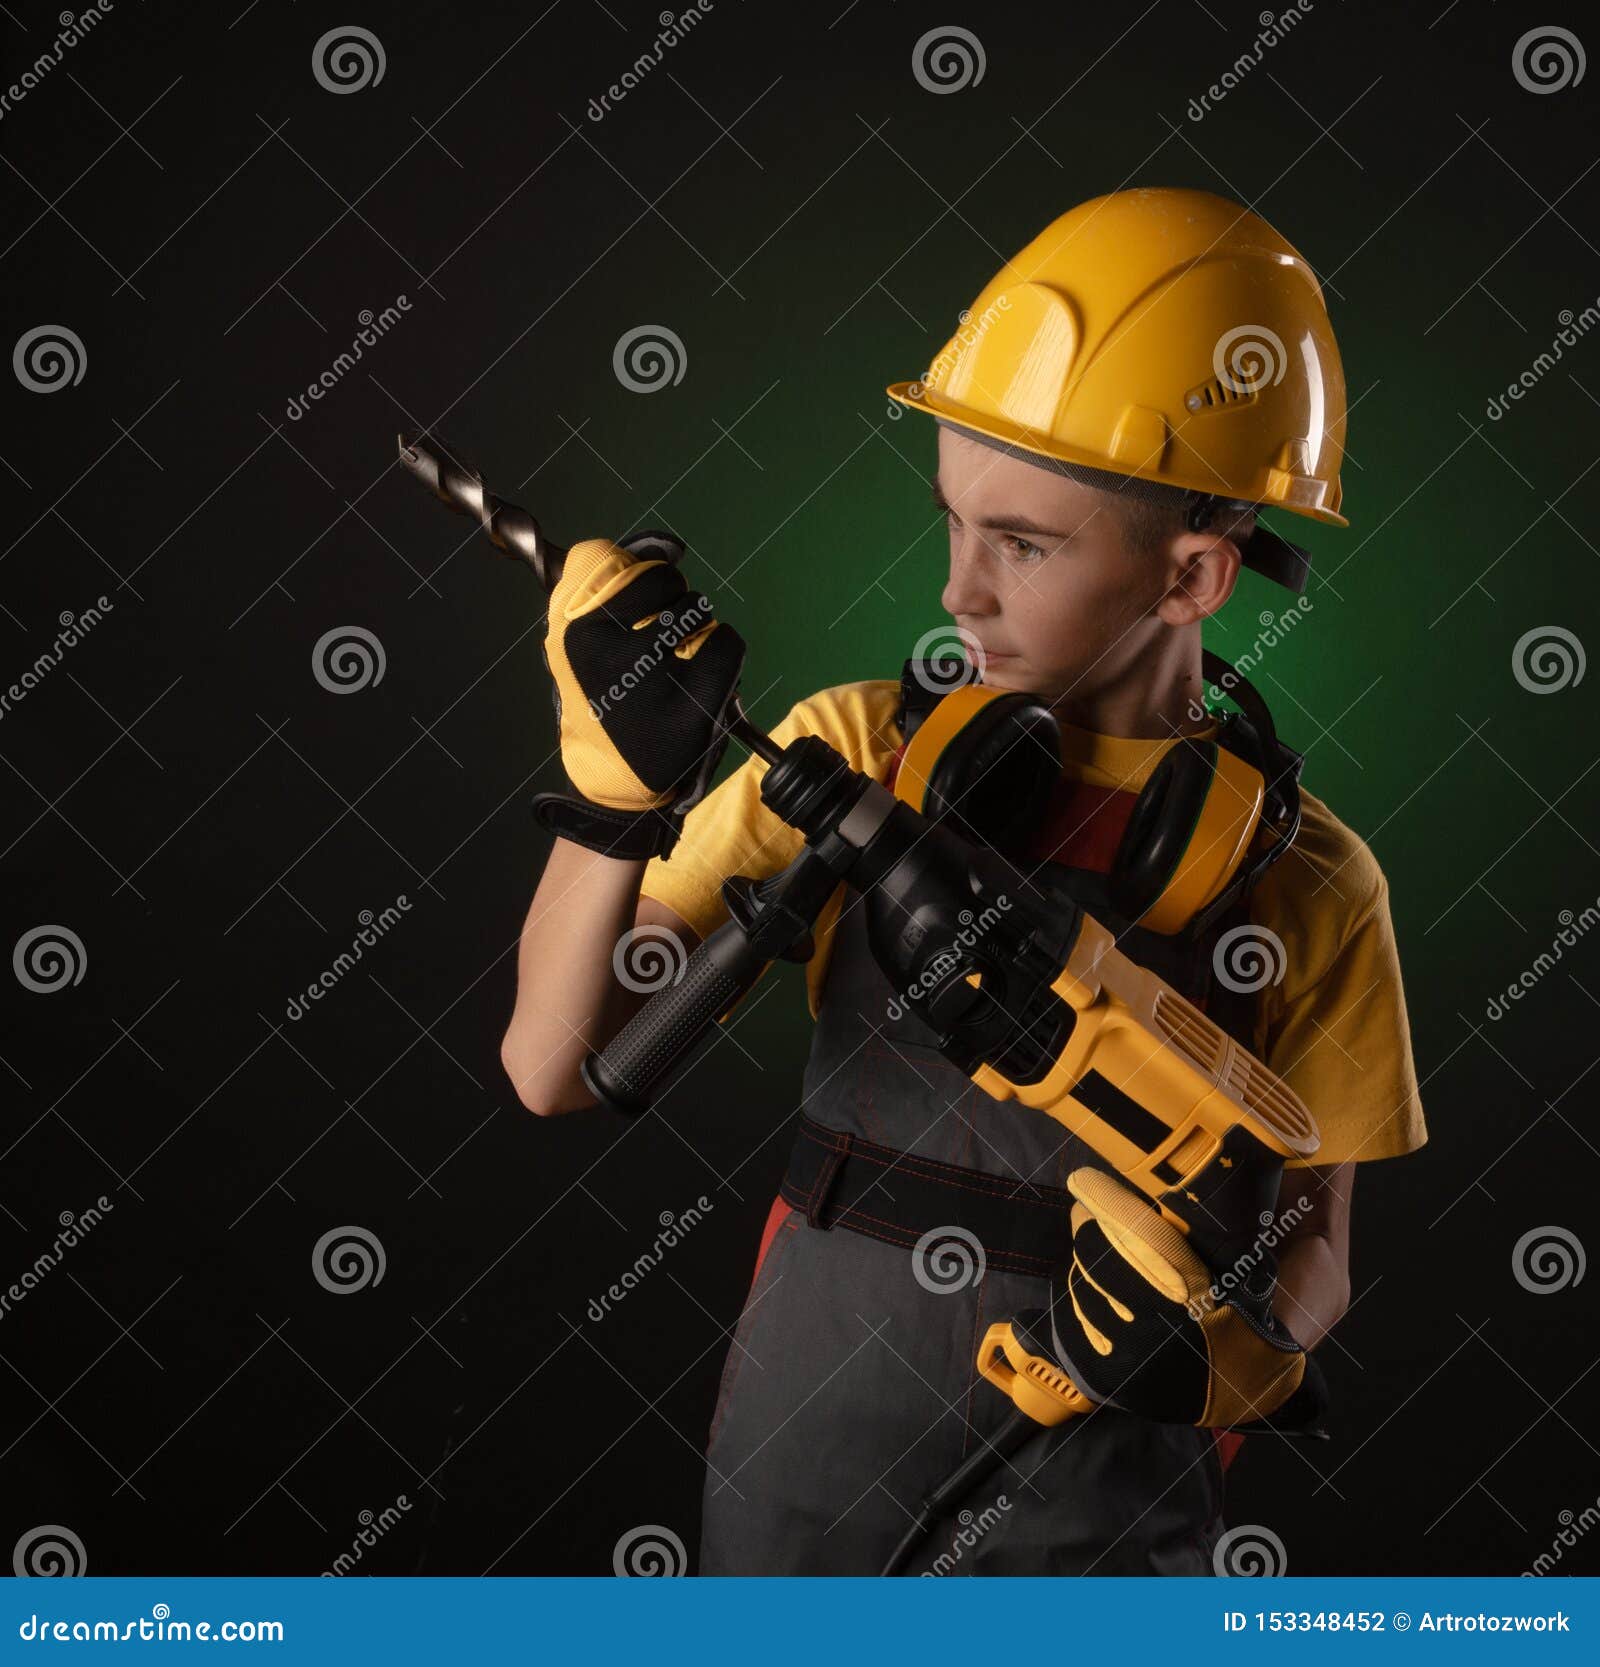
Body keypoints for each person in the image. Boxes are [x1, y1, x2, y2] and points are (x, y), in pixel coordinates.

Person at [499, 187, 1428, 1575]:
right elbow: (551, 1066)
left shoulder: (1308, 881)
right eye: (955, 522)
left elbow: (1318, 1260)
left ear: (1193, 576)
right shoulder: (855, 749)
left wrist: (1221, 1356)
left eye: (1026, 544)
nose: (961, 594)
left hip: (1100, 1485)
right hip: (810, 1438)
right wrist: (610, 803)